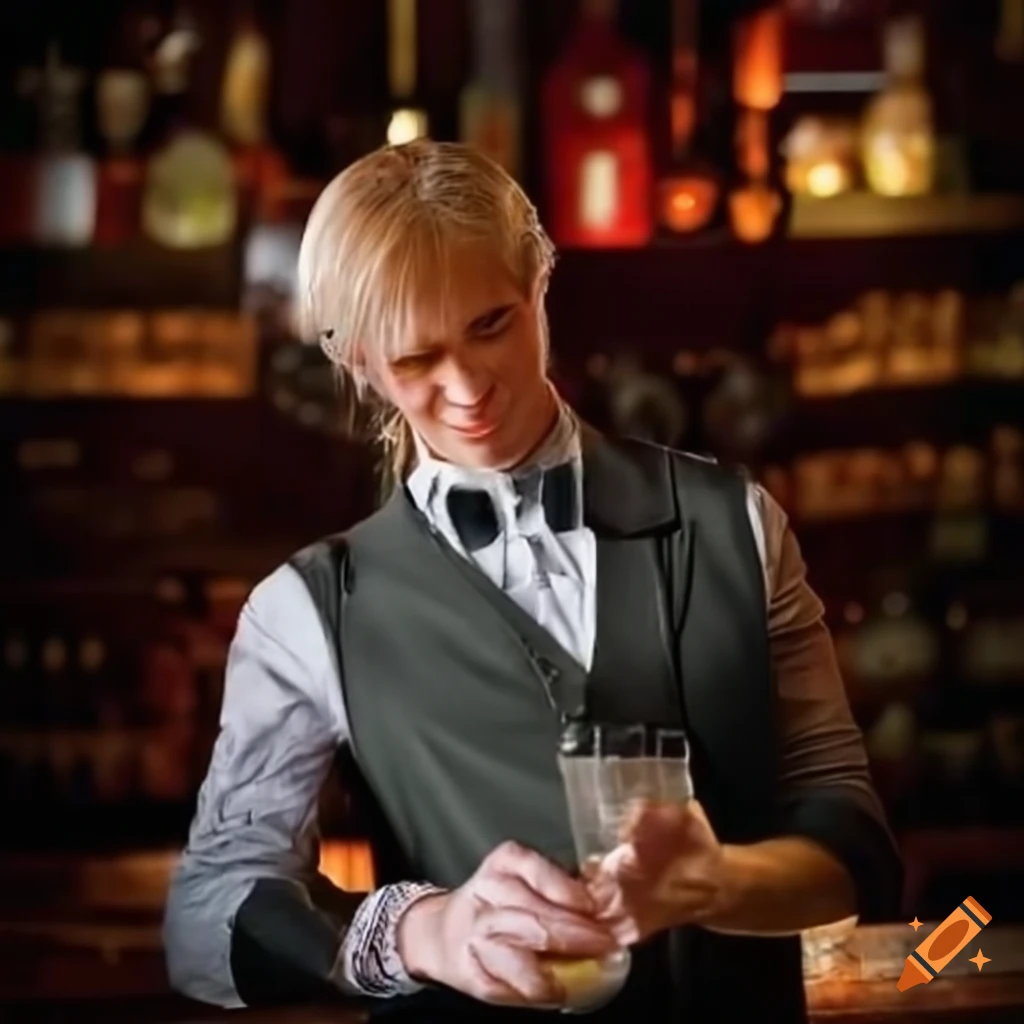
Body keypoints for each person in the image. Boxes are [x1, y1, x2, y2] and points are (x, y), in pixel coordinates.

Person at [163, 139, 902, 1022]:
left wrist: (718, 880)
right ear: (356, 359)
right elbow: (204, 925)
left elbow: (857, 851)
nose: (468, 385)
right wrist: (422, 932)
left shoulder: (734, 524)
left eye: (491, 324)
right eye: (414, 360)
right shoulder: (307, 611)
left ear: (540, 281)